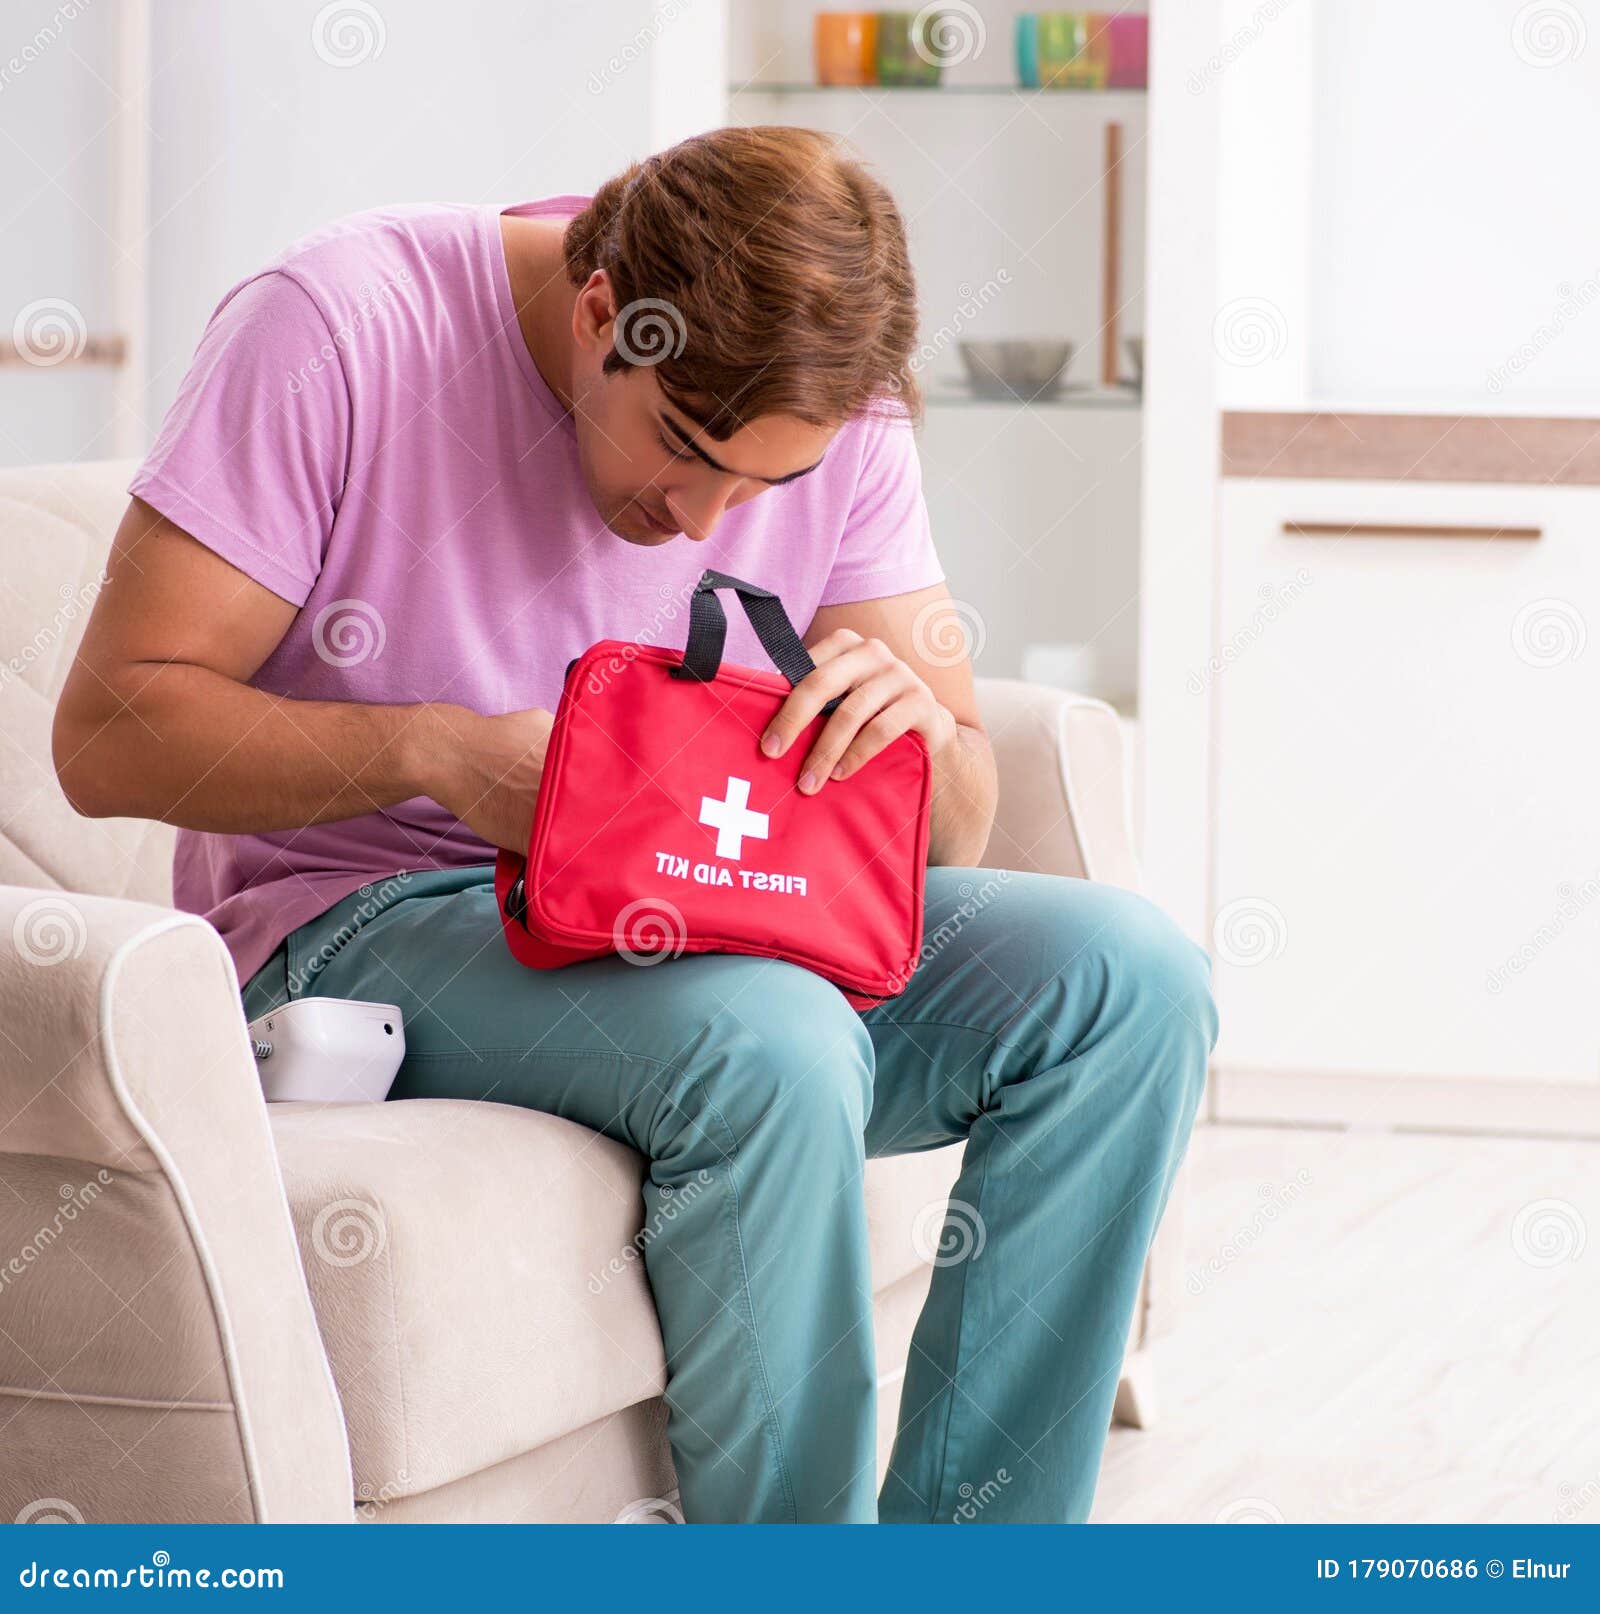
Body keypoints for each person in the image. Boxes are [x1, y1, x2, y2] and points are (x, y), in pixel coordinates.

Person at [52, 126, 1215, 1523]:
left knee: (1131, 981)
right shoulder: (339, 329)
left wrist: (922, 738)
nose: (704, 519)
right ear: (604, 307)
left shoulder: (843, 422)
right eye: (684, 448)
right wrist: (436, 749)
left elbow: (958, 817)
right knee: (772, 1034)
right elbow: (108, 732)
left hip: (718, 897)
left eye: (764, 488)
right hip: (365, 919)